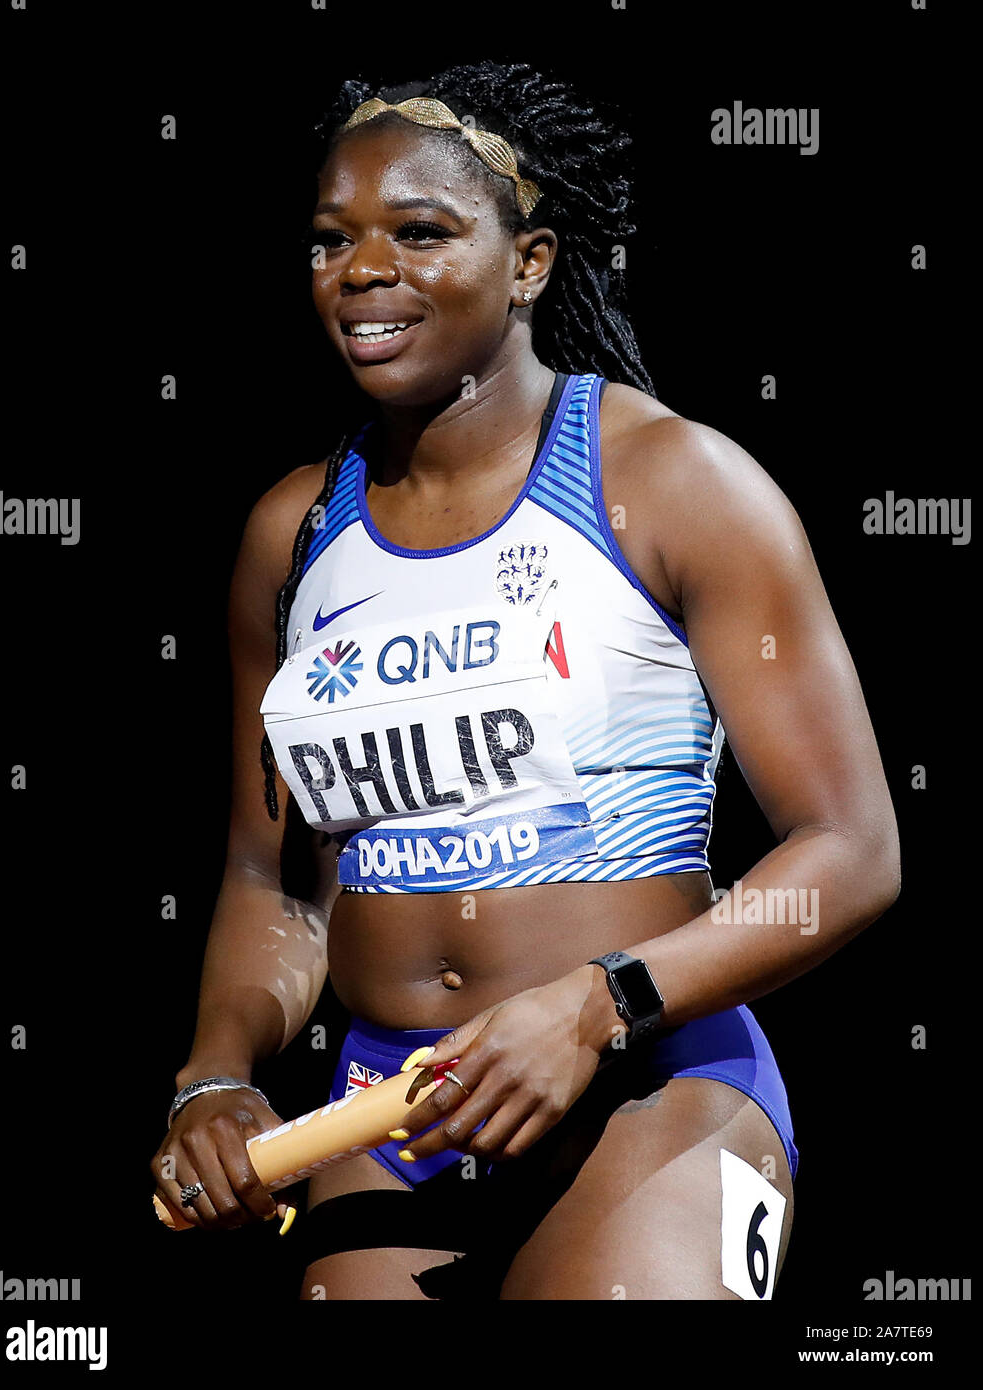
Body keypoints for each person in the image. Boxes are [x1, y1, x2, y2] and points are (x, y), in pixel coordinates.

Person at [151, 61, 900, 1300]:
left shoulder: (670, 482)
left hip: (645, 1079)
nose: (362, 268)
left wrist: (599, 1005)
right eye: (331, 239)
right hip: (387, 1113)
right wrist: (216, 1074)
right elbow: (268, 881)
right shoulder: (293, 535)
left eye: (422, 231)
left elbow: (851, 849)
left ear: (533, 262)